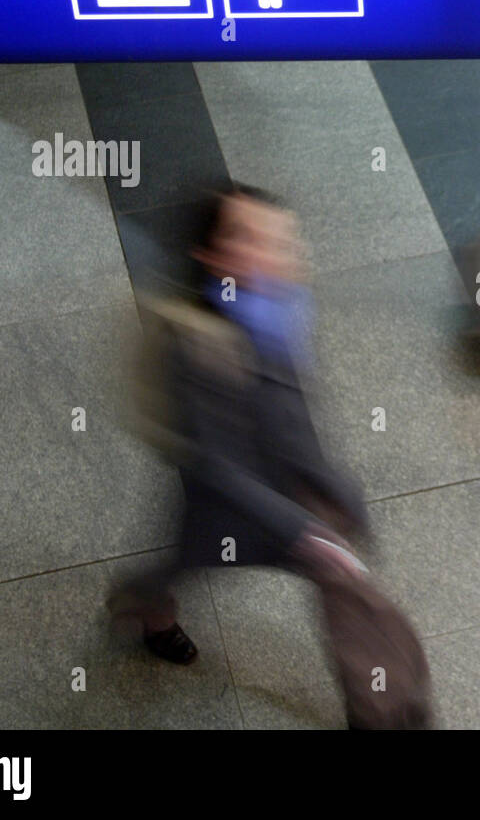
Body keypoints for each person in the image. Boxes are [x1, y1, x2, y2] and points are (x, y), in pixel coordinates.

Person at [111, 185, 431, 729]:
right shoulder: (197, 346)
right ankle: (141, 604)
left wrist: (331, 484)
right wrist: (300, 529)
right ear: (211, 257)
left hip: (297, 490)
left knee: (351, 595)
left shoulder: (278, 311)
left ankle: (384, 714)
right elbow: (213, 465)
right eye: (251, 239)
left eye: (282, 241)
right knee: (187, 559)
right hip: (232, 506)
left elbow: (297, 410)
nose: (277, 256)